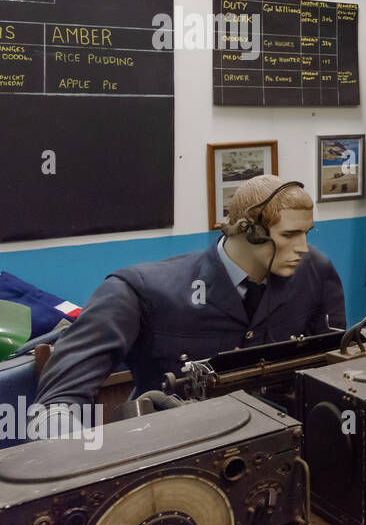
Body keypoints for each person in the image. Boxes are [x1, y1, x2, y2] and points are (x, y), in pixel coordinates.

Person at [31, 176, 346, 426]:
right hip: (176, 458)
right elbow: (58, 401)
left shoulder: (315, 272)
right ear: (248, 231)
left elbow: (335, 366)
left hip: (286, 444)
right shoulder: (138, 290)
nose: (303, 248)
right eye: (289, 234)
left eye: (307, 233)